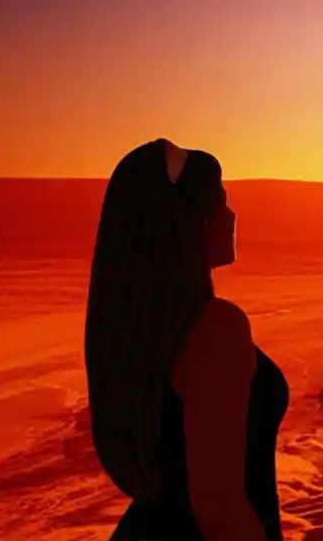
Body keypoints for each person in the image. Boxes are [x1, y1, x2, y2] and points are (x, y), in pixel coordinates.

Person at [84, 139, 289, 540]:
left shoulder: (139, 329)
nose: (231, 216)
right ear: (191, 221)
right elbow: (220, 507)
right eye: (221, 202)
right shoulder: (215, 329)